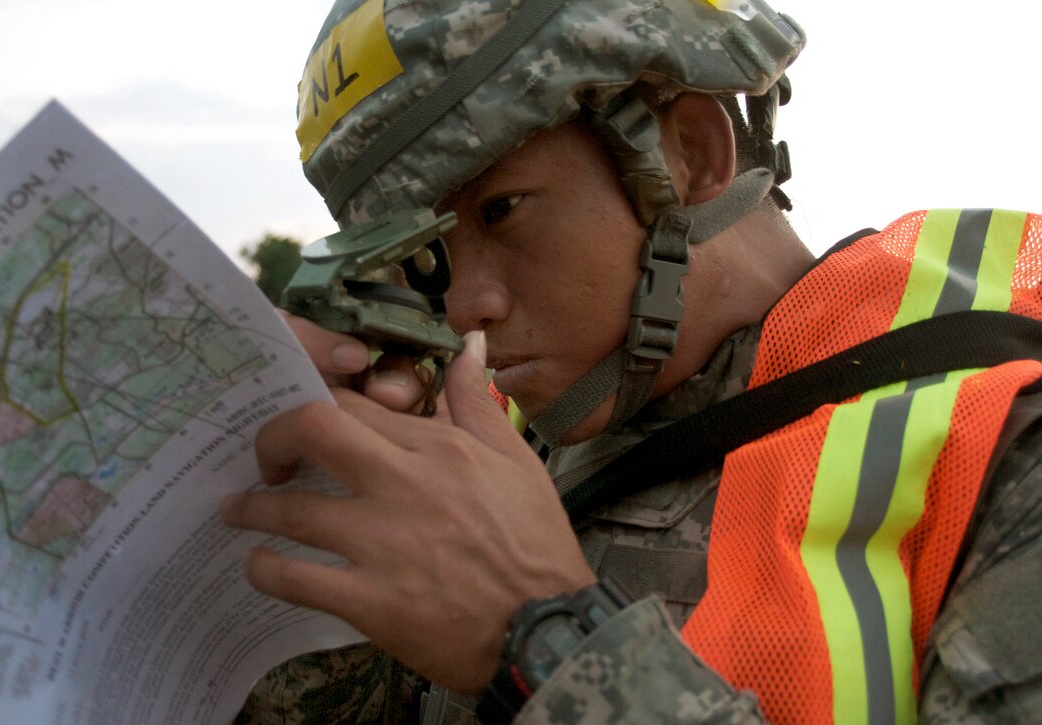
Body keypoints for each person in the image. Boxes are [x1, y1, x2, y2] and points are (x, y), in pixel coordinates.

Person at [222, 0, 1042, 722]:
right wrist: (301, 527)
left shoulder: (1003, 450)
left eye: (499, 210)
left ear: (687, 151)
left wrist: (548, 639)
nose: (463, 305)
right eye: (427, 256)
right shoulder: (479, 445)